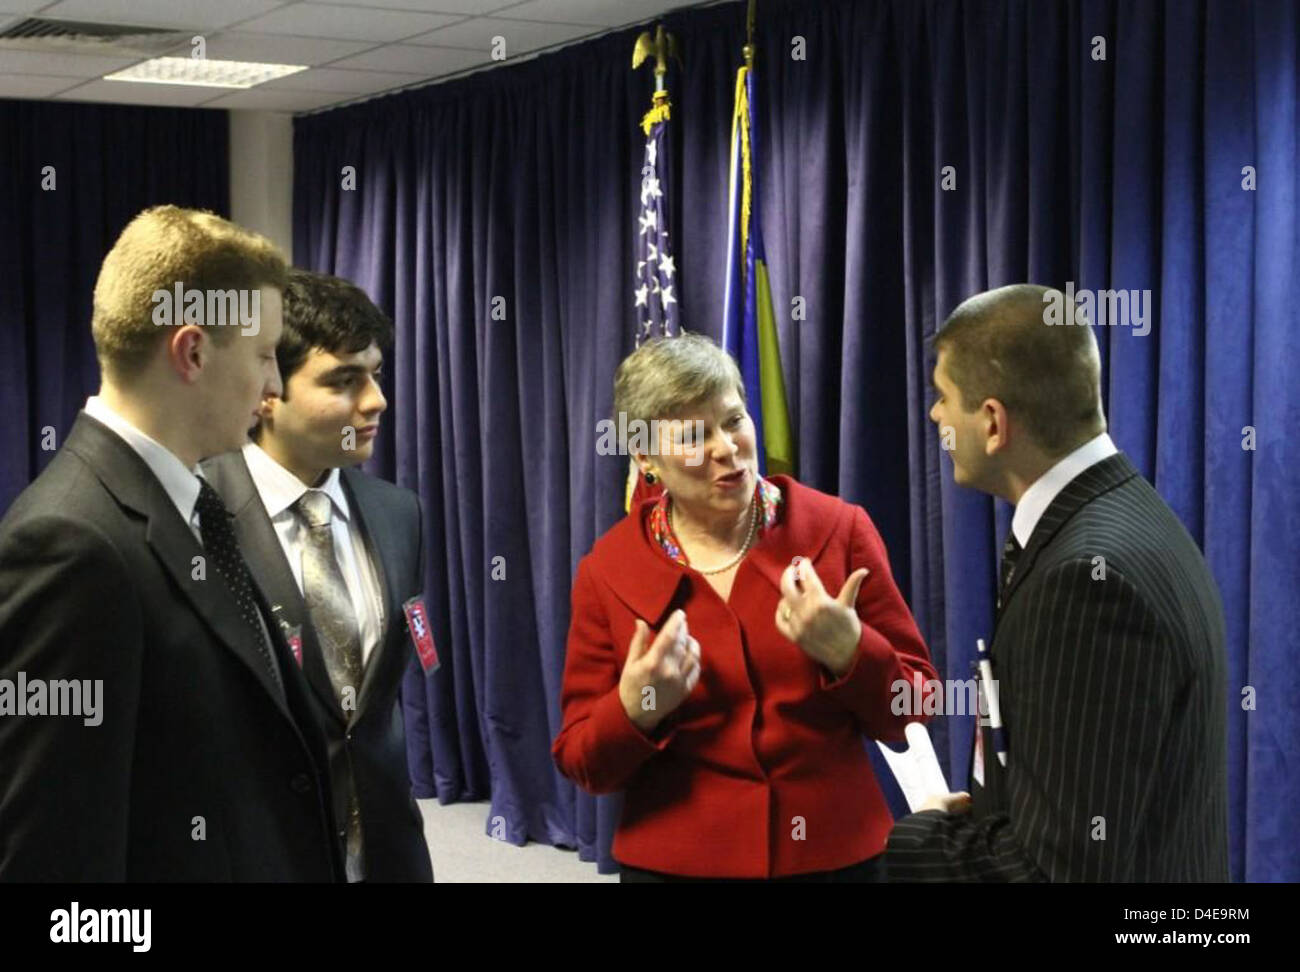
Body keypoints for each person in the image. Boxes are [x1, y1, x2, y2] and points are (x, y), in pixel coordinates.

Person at [0, 206, 342, 881]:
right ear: (192, 351)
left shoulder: (197, 505)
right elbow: (52, 859)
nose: (275, 387)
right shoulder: (71, 544)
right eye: (265, 354)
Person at [552, 333, 937, 881]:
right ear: (643, 455)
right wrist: (636, 707)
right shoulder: (607, 571)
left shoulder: (839, 530)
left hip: (835, 856)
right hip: (677, 863)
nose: (726, 449)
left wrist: (853, 653)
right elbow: (582, 762)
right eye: (691, 435)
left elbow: (915, 705)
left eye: (733, 421)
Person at [887, 283, 1229, 882]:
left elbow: (1055, 871)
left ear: (993, 422)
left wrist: (921, 839)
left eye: (942, 398)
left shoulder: (1086, 580)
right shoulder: (1126, 512)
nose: (936, 416)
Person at [201, 269, 434, 883]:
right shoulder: (196, 515)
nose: (376, 399)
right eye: (343, 380)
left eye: (376, 374)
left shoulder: (398, 514)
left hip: (388, 854)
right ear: (268, 390)